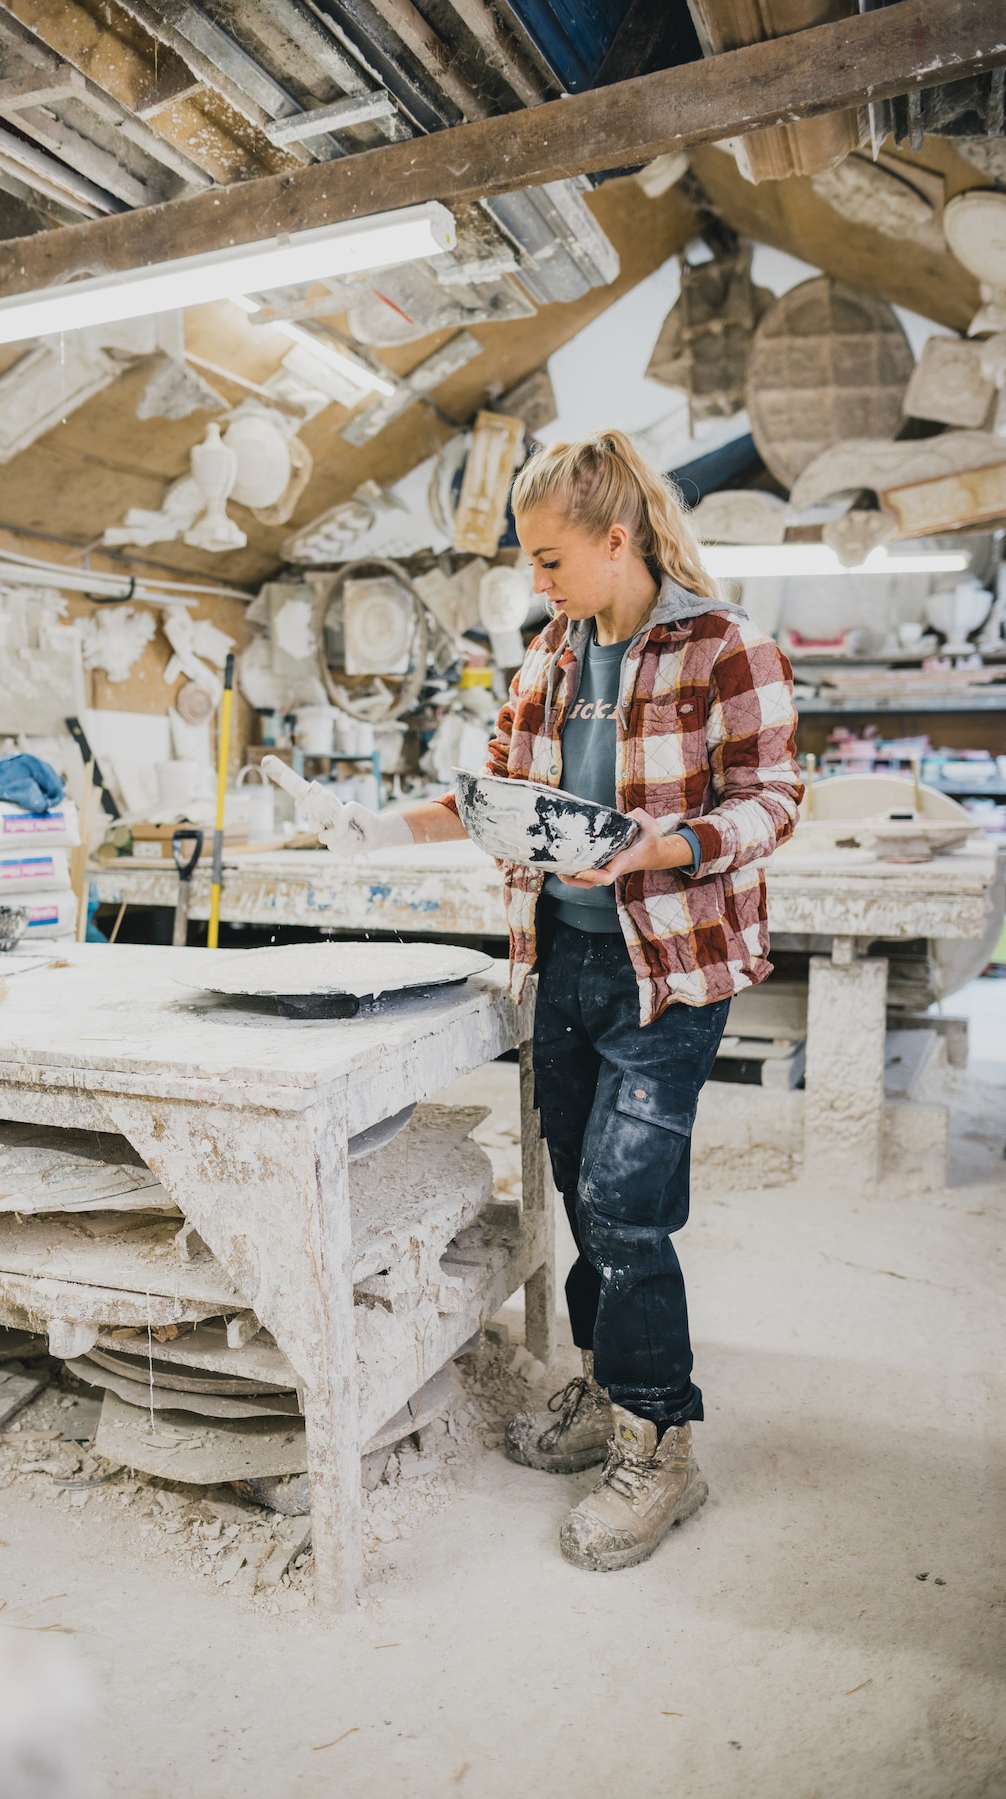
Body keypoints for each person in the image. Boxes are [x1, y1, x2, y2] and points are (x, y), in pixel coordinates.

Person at [312, 430, 802, 1571]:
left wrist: (657, 846)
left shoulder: (725, 646)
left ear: (616, 541)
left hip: (668, 968)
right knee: (582, 1188)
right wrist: (381, 825)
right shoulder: (551, 654)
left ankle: (660, 1442)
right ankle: (605, 1382)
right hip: (566, 960)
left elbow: (774, 800)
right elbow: (497, 792)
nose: (538, 584)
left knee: (628, 1204)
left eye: (549, 559)